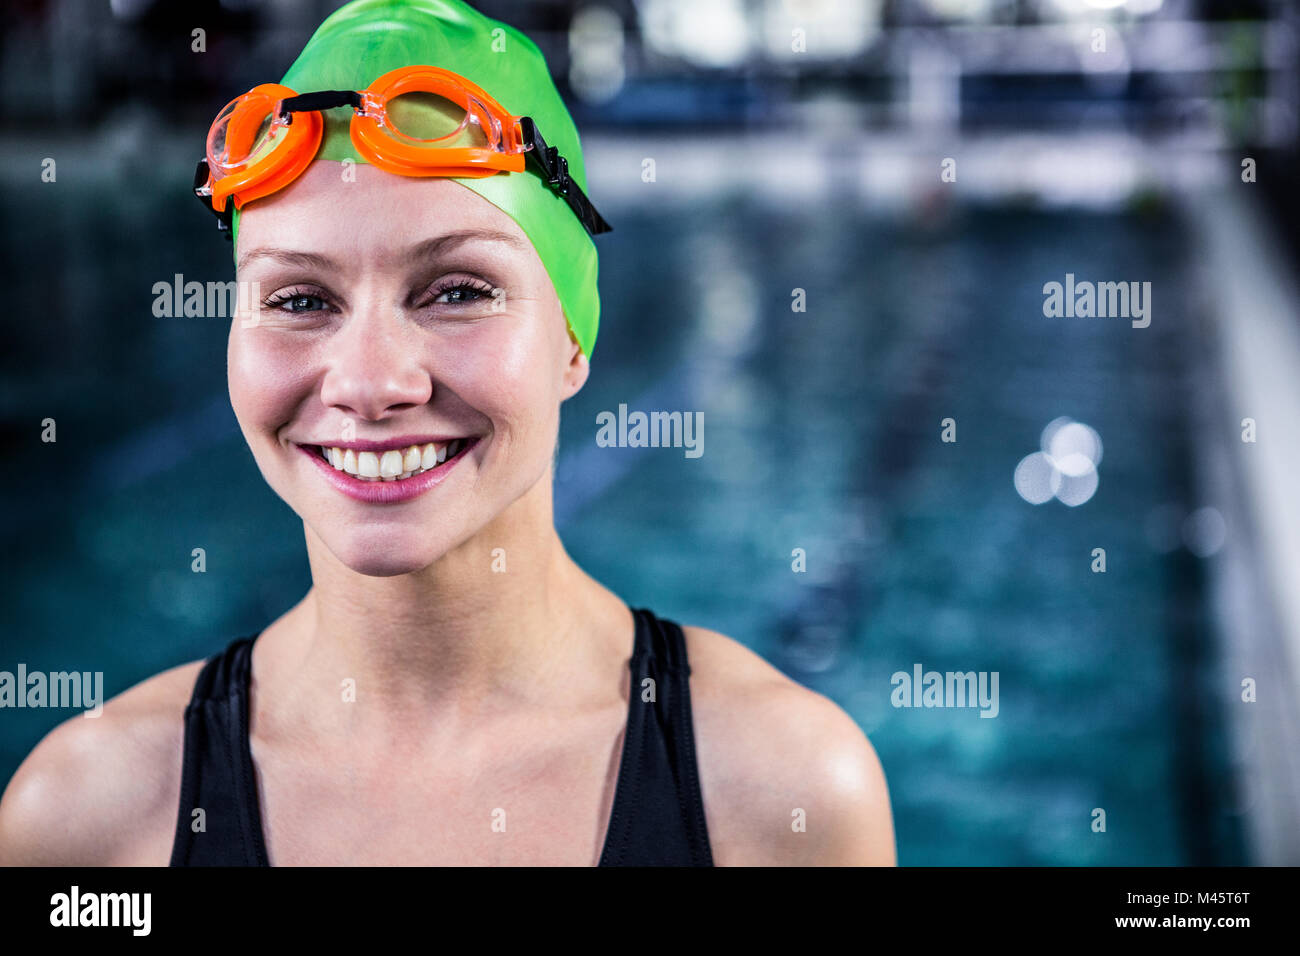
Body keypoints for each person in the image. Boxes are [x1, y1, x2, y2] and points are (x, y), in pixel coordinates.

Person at [0, 0, 894, 866]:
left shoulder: (785, 795)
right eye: (300, 300)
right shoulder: (89, 814)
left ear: (574, 337)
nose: (370, 384)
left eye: (457, 290)